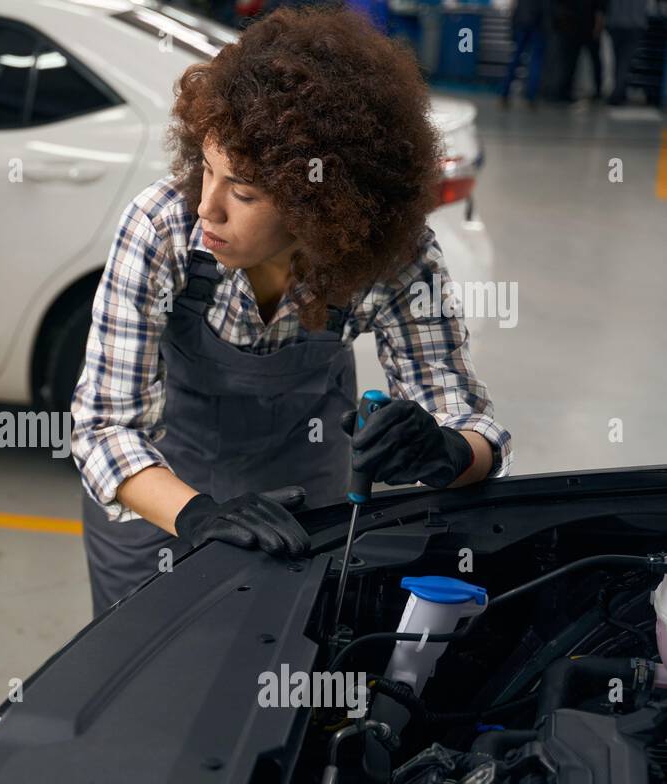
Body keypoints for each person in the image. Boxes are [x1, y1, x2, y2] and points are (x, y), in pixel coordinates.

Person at [70, 8, 512, 617]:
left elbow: (469, 421)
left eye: (244, 192)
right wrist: (197, 515)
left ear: (321, 205)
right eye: (208, 169)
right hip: (160, 502)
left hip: (305, 500)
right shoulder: (162, 225)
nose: (209, 208)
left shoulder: (394, 258)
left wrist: (448, 451)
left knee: (280, 671)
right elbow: (103, 429)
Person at [501, 0, 552, 106]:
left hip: (522, 22)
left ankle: (505, 93)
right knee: (535, 61)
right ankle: (531, 96)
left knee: (515, 59)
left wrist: (513, 24)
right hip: (538, 24)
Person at [605, 0, 647, 105]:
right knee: (625, 61)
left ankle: (620, 91)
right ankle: (618, 92)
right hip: (634, 24)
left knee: (619, 60)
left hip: (616, 23)